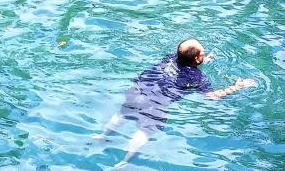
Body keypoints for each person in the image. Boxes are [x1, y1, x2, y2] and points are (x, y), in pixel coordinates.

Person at [96, 39, 257, 166]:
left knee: (122, 113)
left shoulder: (170, 58)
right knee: (146, 130)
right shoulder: (197, 77)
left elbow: (184, 62)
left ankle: (102, 136)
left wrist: (202, 60)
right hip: (157, 103)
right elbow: (211, 96)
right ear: (196, 58)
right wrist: (236, 87)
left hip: (139, 90)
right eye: (202, 52)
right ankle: (124, 162)